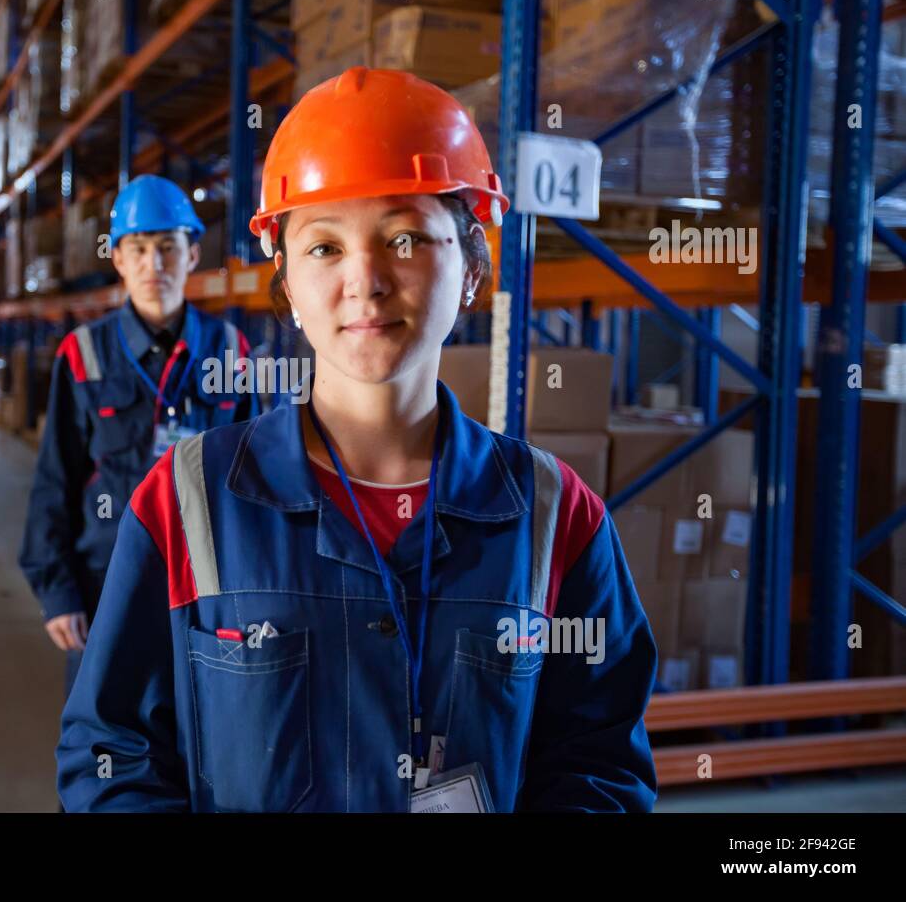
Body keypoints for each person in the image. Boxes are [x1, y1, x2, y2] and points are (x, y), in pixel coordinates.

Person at [55, 69, 658, 812]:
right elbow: (110, 755)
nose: (365, 280)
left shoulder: (557, 518)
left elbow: (599, 766)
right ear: (285, 283)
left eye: (405, 237)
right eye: (324, 247)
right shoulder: (186, 507)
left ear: (471, 266)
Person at [19, 174, 259, 701]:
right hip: (104, 583)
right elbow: (54, 479)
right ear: (119, 258)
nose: (155, 265)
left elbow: (254, 477)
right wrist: (57, 593)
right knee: (105, 732)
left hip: (205, 582)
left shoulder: (231, 350)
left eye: (168, 248)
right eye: (140, 248)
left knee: (199, 733)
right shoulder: (83, 354)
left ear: (192, 255)